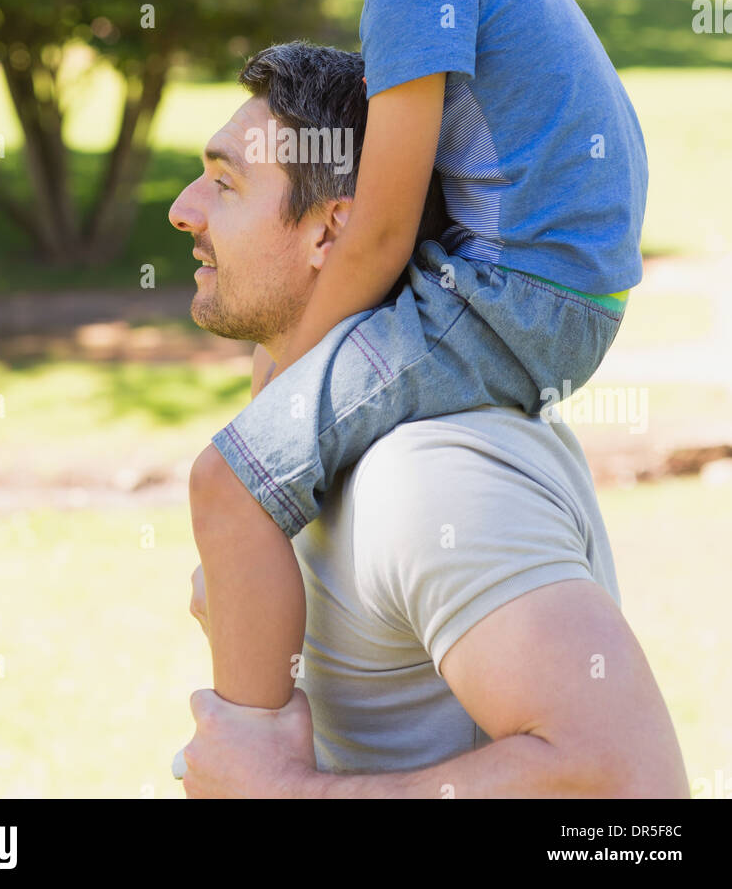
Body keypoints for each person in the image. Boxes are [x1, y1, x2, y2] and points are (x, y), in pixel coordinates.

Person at [187, 0, 649, 715]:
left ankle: (249, 756)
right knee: (273, 411)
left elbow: (380, 228)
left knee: (228, 483)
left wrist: (283, 385)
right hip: (531, 294)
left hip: (507, 301)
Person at [169, 43, 687, 797]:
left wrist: (288, 793)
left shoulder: (430, 476)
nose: (183, 209)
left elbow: (631, 791)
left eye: (225, 184)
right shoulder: (298, 436)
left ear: (329, 231)